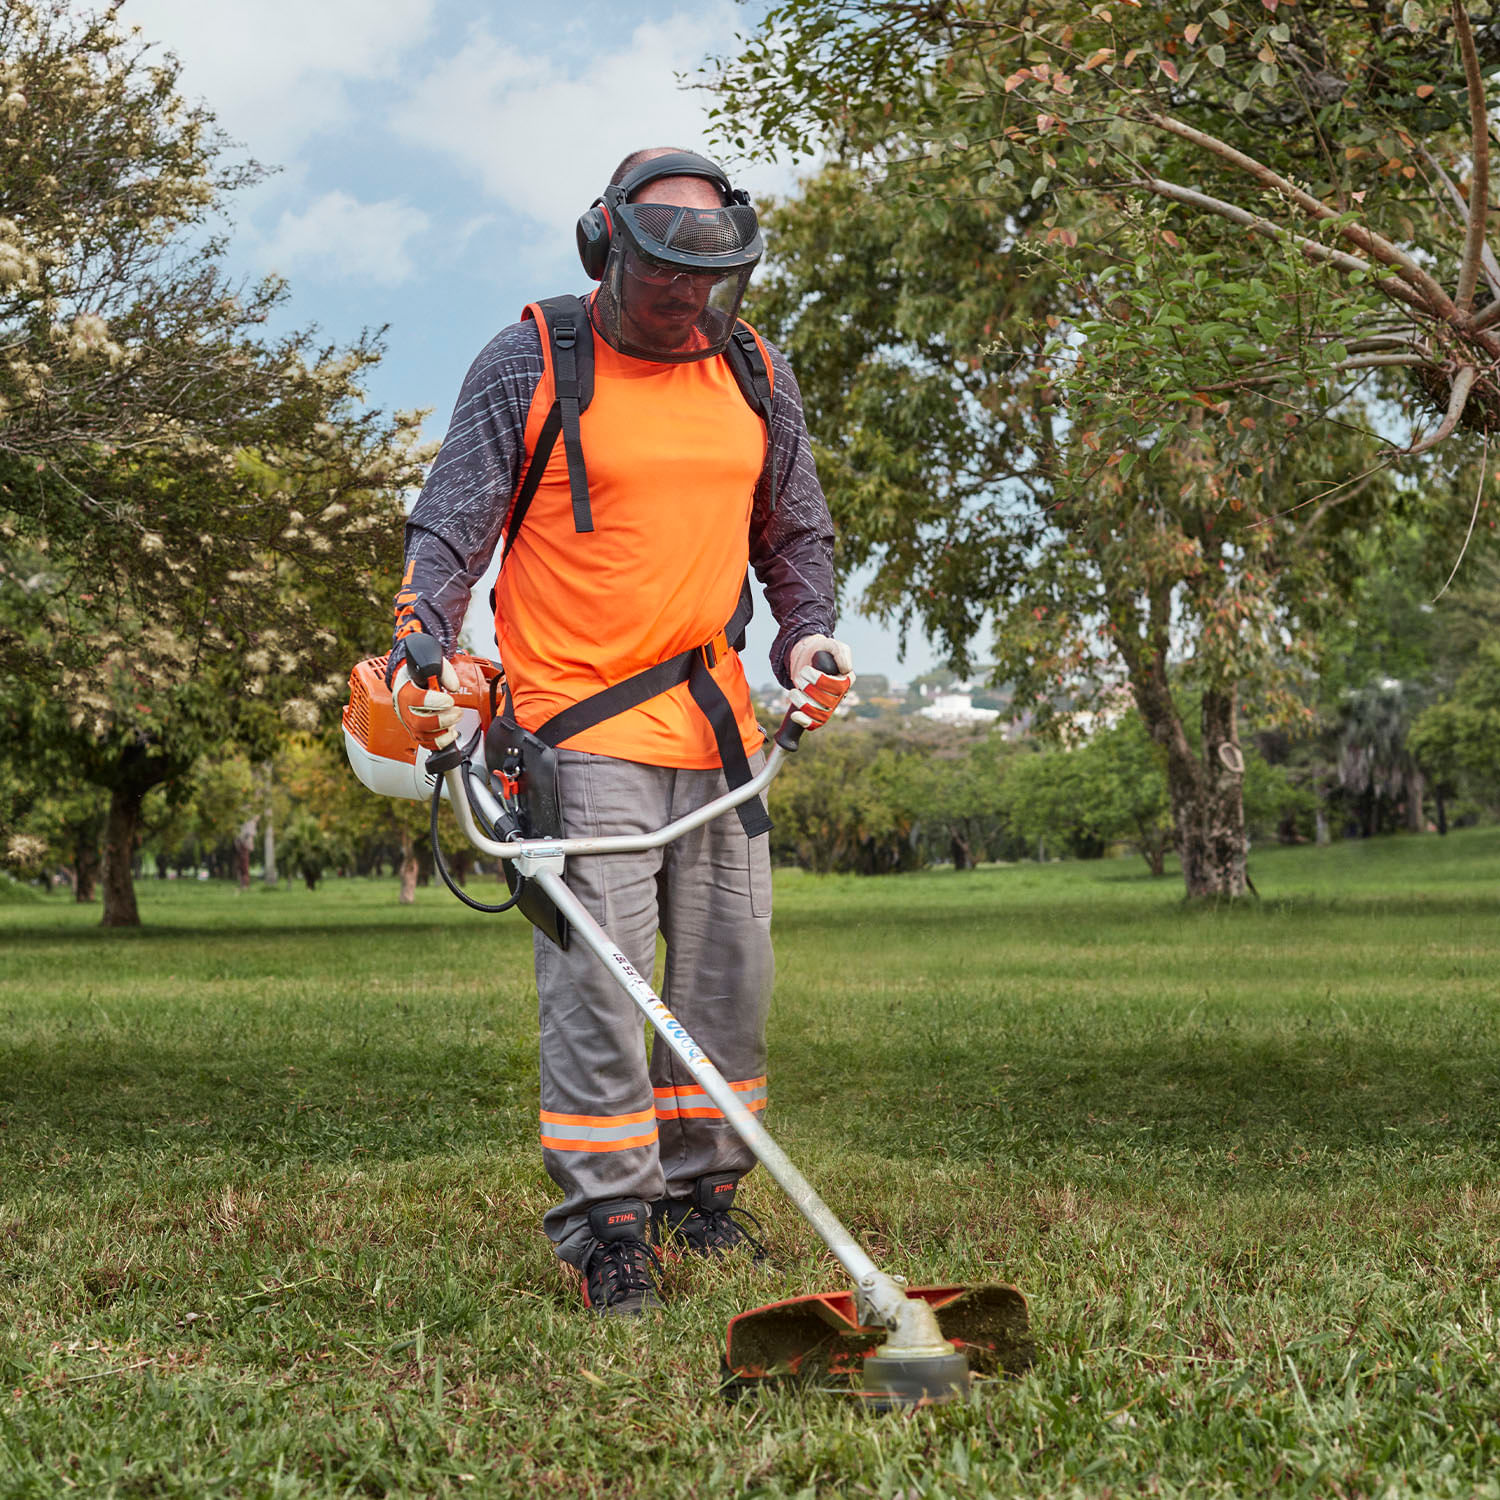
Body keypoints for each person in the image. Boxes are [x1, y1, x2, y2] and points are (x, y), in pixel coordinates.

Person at [385, 147, 853, 1316]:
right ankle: (610, 1226)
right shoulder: (536, 355)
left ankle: (704, 1197)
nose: (687, 302)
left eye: (711, 282)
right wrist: (421, 629)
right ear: (607, 248)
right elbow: (453, 521)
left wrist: (807, 638)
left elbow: (796, 536)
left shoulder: (752, 369)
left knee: (727, 983)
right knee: (601, 994)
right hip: (576, 730)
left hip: (717, 732)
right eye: (662, 281)